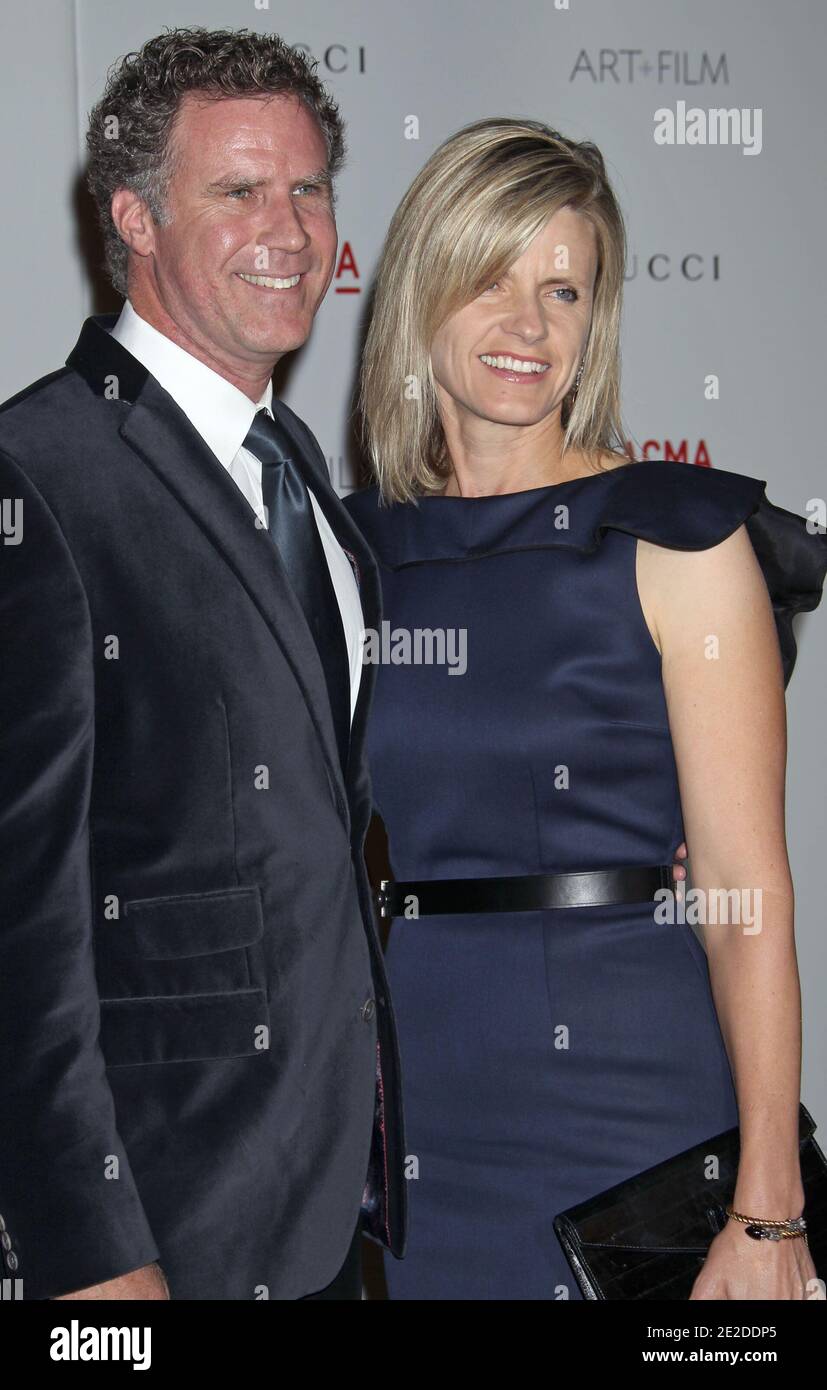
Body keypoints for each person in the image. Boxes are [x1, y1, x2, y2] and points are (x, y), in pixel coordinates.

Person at [343, 117, 827, 1300]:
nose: (527, 325)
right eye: (491, 277)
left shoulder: (671, 535)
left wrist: (767, 1210)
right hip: (417, 1137)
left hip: (628, 1126)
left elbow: (744, 895)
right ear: (420, 288)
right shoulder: (349, 549)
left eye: (562, 290)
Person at [0, 27, 406, 1300]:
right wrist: (93, 1256)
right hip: (160, 1231)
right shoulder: (40, 476)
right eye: (237, 190)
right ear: (133, 216)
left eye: (308, 189)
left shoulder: (303, 479)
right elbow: (20, 923)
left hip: (336, 1212)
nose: (289, 229)